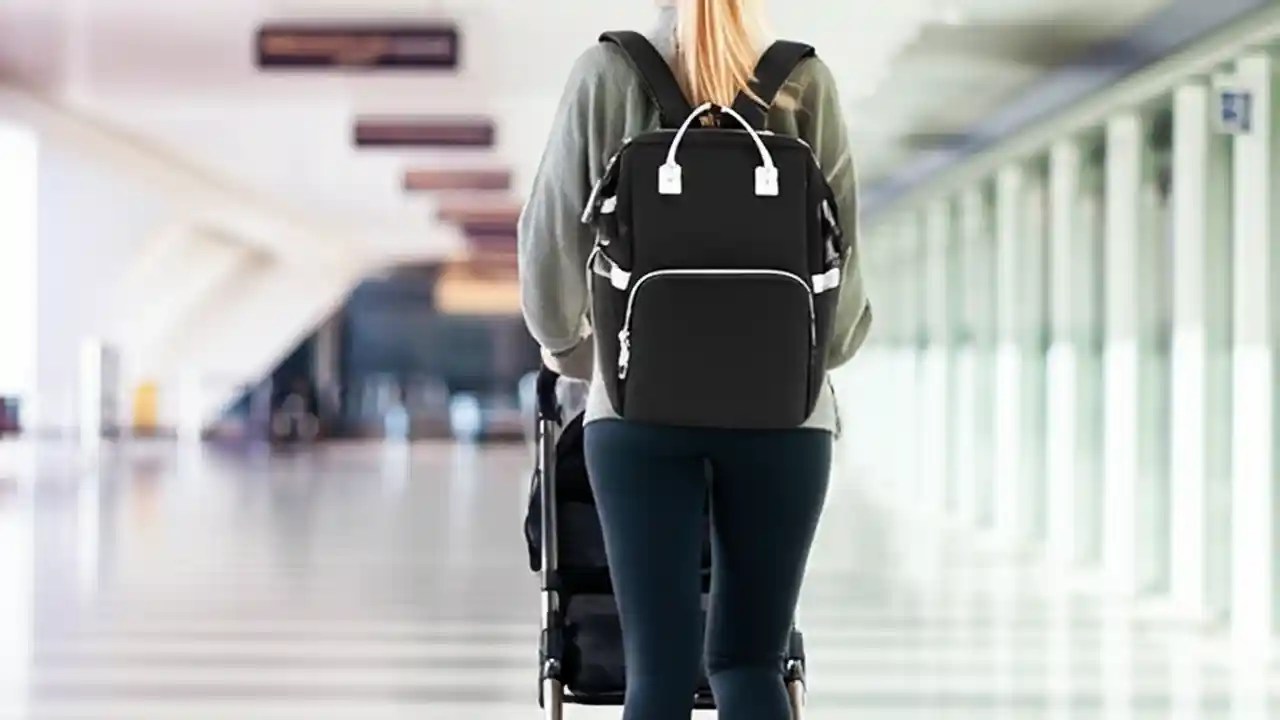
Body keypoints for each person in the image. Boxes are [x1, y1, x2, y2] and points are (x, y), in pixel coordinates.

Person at [518, 0, 871, 717]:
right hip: (785, 420)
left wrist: (580, 356)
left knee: (657, 674)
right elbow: (842, 295)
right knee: (752, 663)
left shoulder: (604, 74)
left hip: (638, 414)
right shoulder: (805, 81)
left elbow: (548, 260)